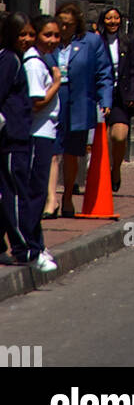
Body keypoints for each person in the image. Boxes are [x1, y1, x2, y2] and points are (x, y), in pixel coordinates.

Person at [54, 2, 113, 217]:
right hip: (54, 98)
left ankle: (67, 195)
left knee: (72, 151)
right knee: (51, 150)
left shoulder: (91, 42)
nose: (63, 29)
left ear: (76, 24)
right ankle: (50, 199)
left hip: (79, 100)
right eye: (60, 24)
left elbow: (104, 72)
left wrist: (105, 100)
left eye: (68, 25)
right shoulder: (50, 41)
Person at [0, 13, 42, 266]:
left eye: (30, 34)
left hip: (15, 135)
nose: (27, 39)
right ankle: (22, 247)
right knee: (14, 193)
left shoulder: (13, 58)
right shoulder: (10, 60)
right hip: (12, 137)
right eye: (21, 34)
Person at [22, 14, 61, 270]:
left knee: (36, 191)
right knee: (34, 193)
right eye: (48, 35)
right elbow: (36, 103)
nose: (53, 40)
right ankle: (31, 247)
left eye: (57, 35)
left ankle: (36, 243)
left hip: (46, 133)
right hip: (37, 134)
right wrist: (57, 83)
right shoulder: (34, 64)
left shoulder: (43, 60)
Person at [98, 5, 134, 193]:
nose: (112, 22)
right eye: (108, 18)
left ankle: (116, 169)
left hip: (121, 96)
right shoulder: (97, 41)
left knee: (119, 135)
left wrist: (132, 95)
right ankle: (103, 173)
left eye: (116, 18)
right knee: (103, 137)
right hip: (101, 94)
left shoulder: (129, 41)